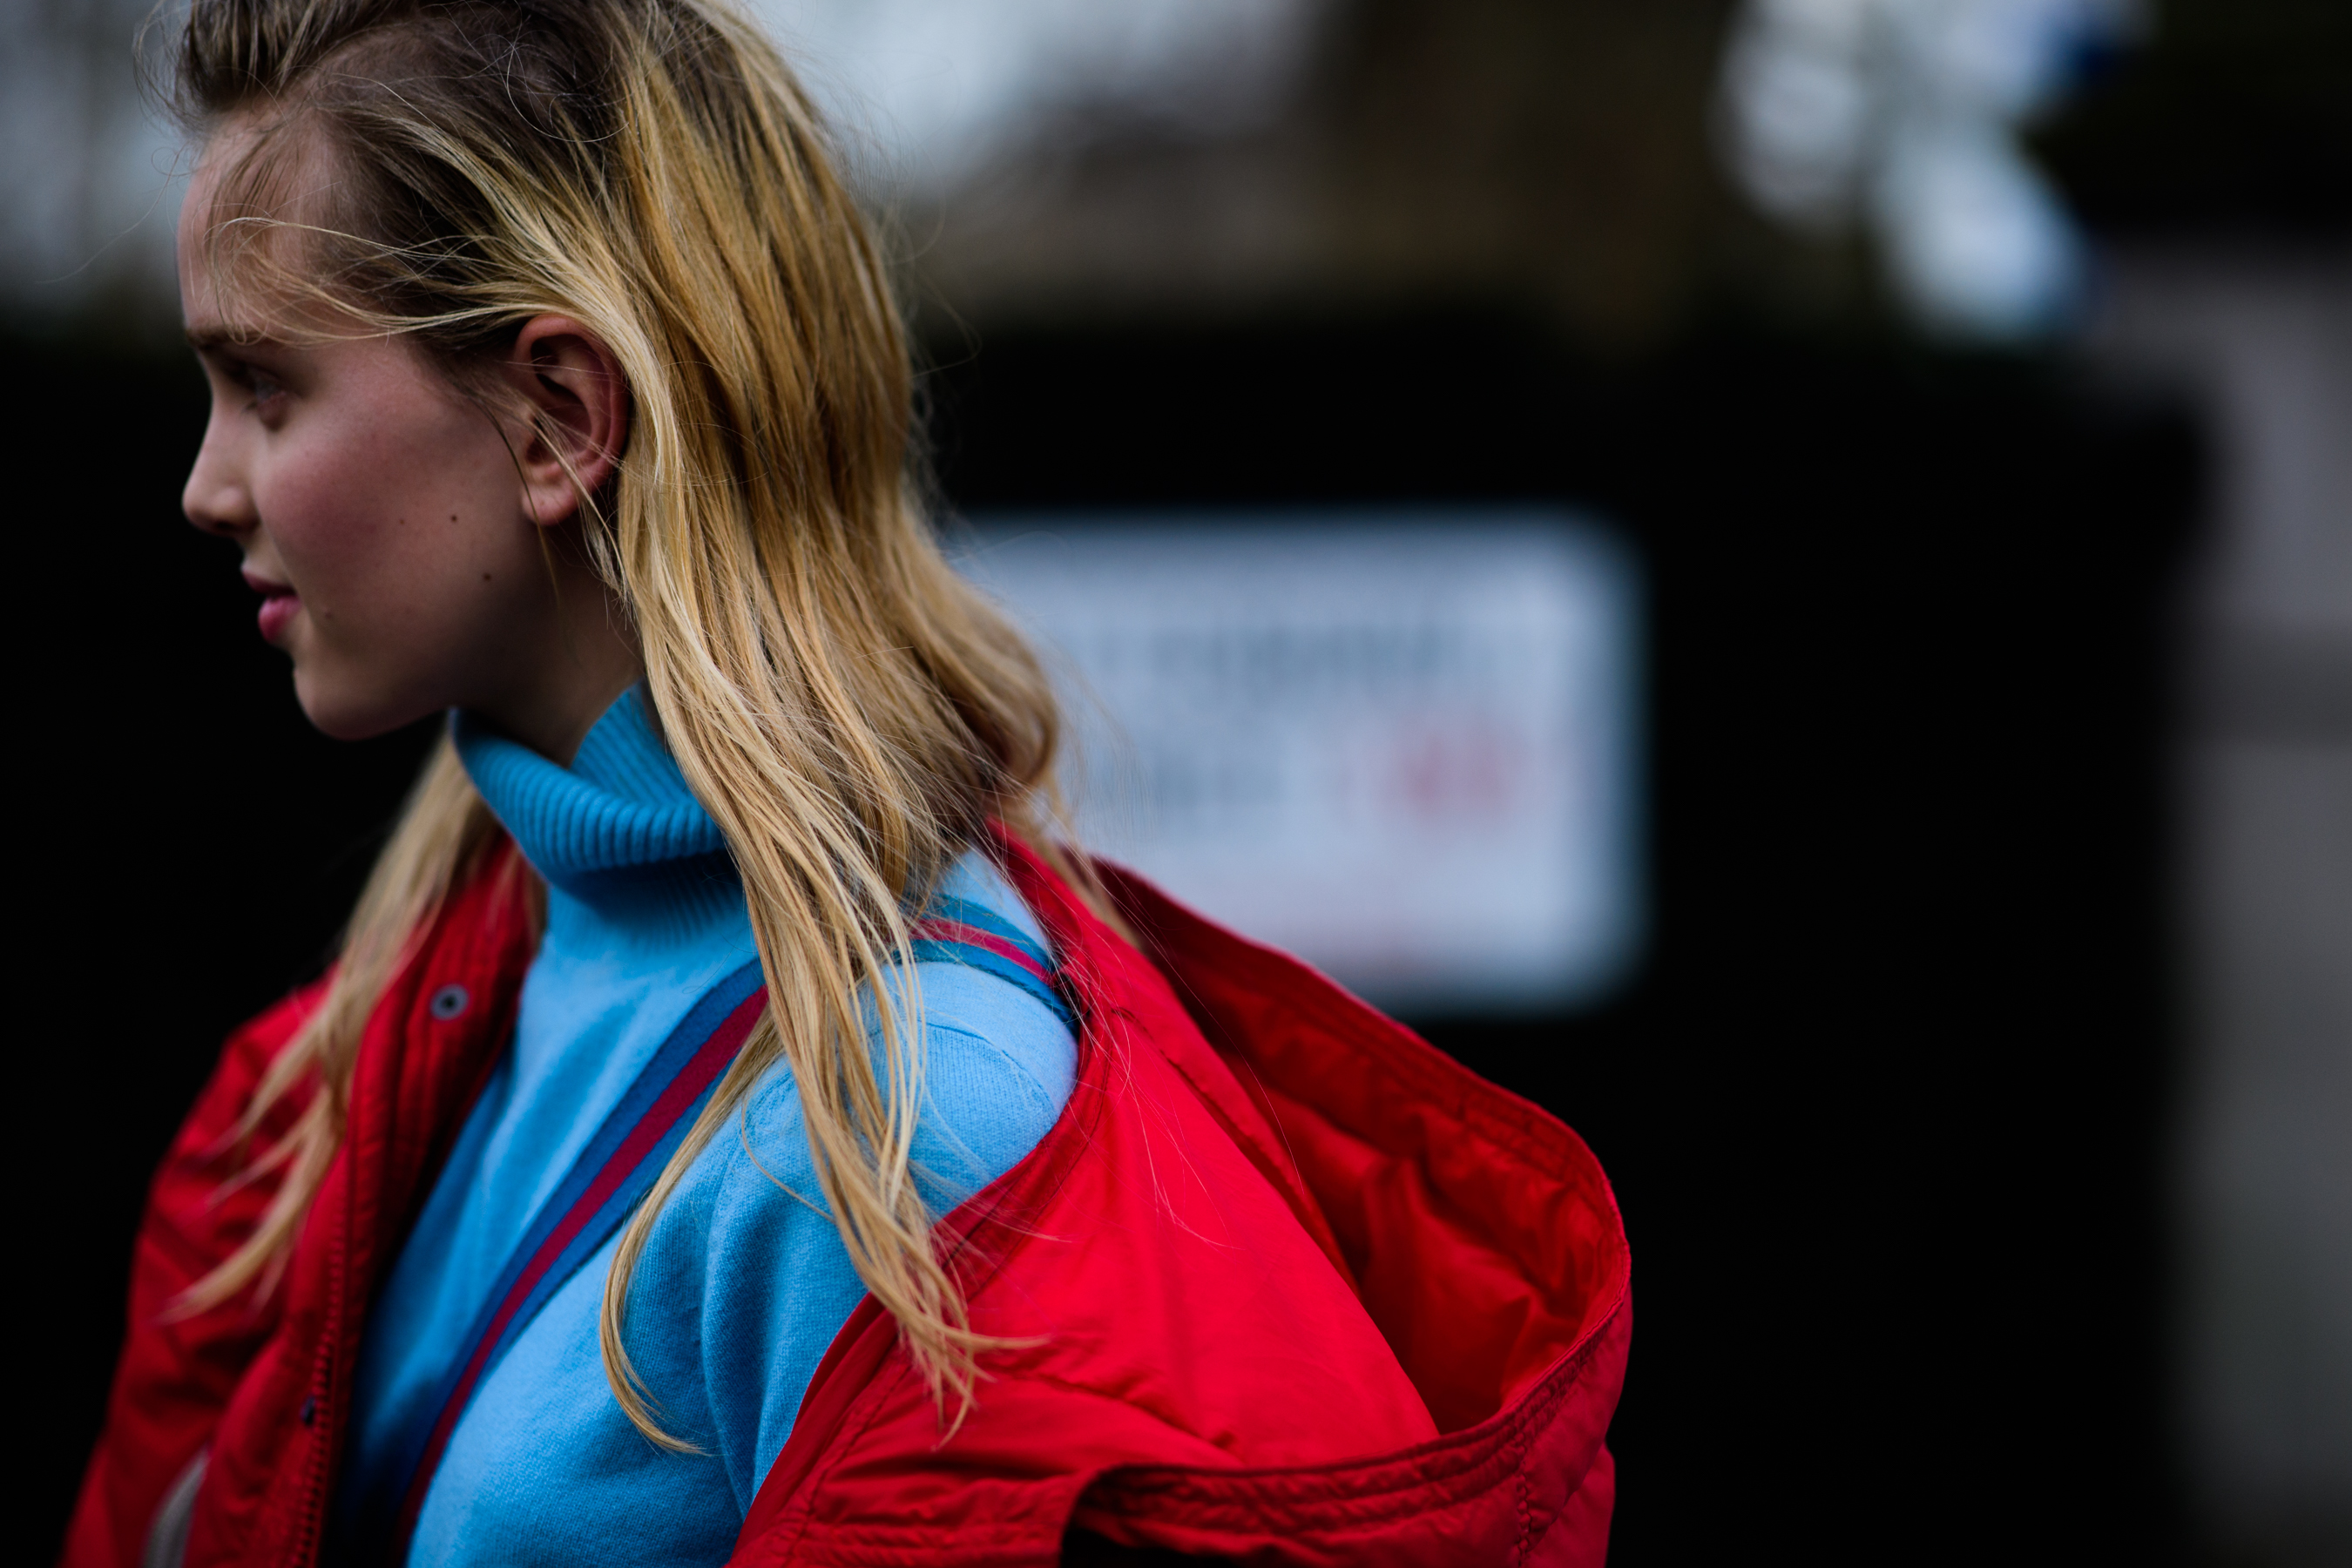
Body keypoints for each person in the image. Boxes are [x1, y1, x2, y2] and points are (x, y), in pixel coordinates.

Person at [63, 3, 1630, 1565]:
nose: (205, 486)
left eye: (266, 388)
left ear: (558, 418)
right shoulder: (401, 1020)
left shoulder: (919, 1126)